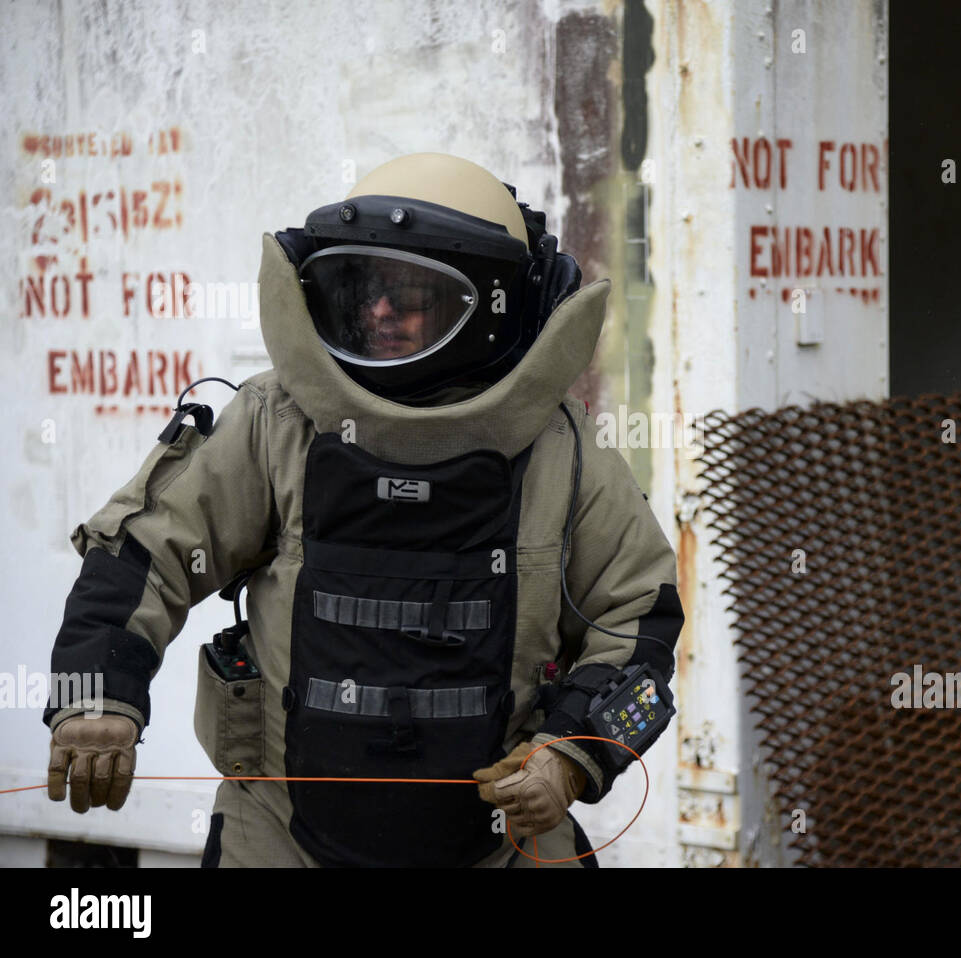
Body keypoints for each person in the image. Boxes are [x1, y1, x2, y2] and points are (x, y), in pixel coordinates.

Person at [41, 153, 684, 867]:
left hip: (502, 842)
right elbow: (141, 556)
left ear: (492, 304)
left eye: (409, 295)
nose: (379, 313)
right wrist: (96, 695)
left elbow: (639, 622)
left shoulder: (560, 452)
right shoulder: (275, 422)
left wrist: (569, 758)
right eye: (362, 289)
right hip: (280, 836)